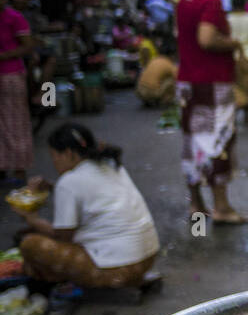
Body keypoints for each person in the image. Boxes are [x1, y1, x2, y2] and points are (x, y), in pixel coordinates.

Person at [17, 123, 160, 290]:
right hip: (146, 259)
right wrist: (53, 187)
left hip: (117, 270)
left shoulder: (69, 182)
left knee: (29, 244)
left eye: (54, 156)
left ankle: (54, 282)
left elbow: (63, 237)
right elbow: (91, 193)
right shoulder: (110, 164)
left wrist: (31, 218)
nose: (54, 162)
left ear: (68, 153)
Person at [175, 0, 246, 223]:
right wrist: (233, 43)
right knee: (218, 141)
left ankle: (196, 204)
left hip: (188, 81)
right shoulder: (211, 1)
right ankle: (222, 207)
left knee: (193, 142)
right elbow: (206, 38)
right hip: (212, 83)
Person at [0, 0, 35, 186]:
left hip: (11, 75)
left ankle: (20, 171)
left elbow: (27, 47)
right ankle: (3, 168)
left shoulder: (15, 18)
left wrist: (4, 56)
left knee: (16, 123)